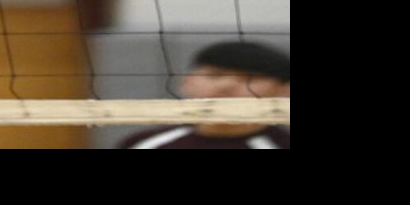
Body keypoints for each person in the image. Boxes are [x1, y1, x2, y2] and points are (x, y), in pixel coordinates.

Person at [120, 42, 291, 150]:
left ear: (283, 90)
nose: (226, 86)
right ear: (186, 82)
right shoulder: (143, 143)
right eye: (214, 75)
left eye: (249, 78)